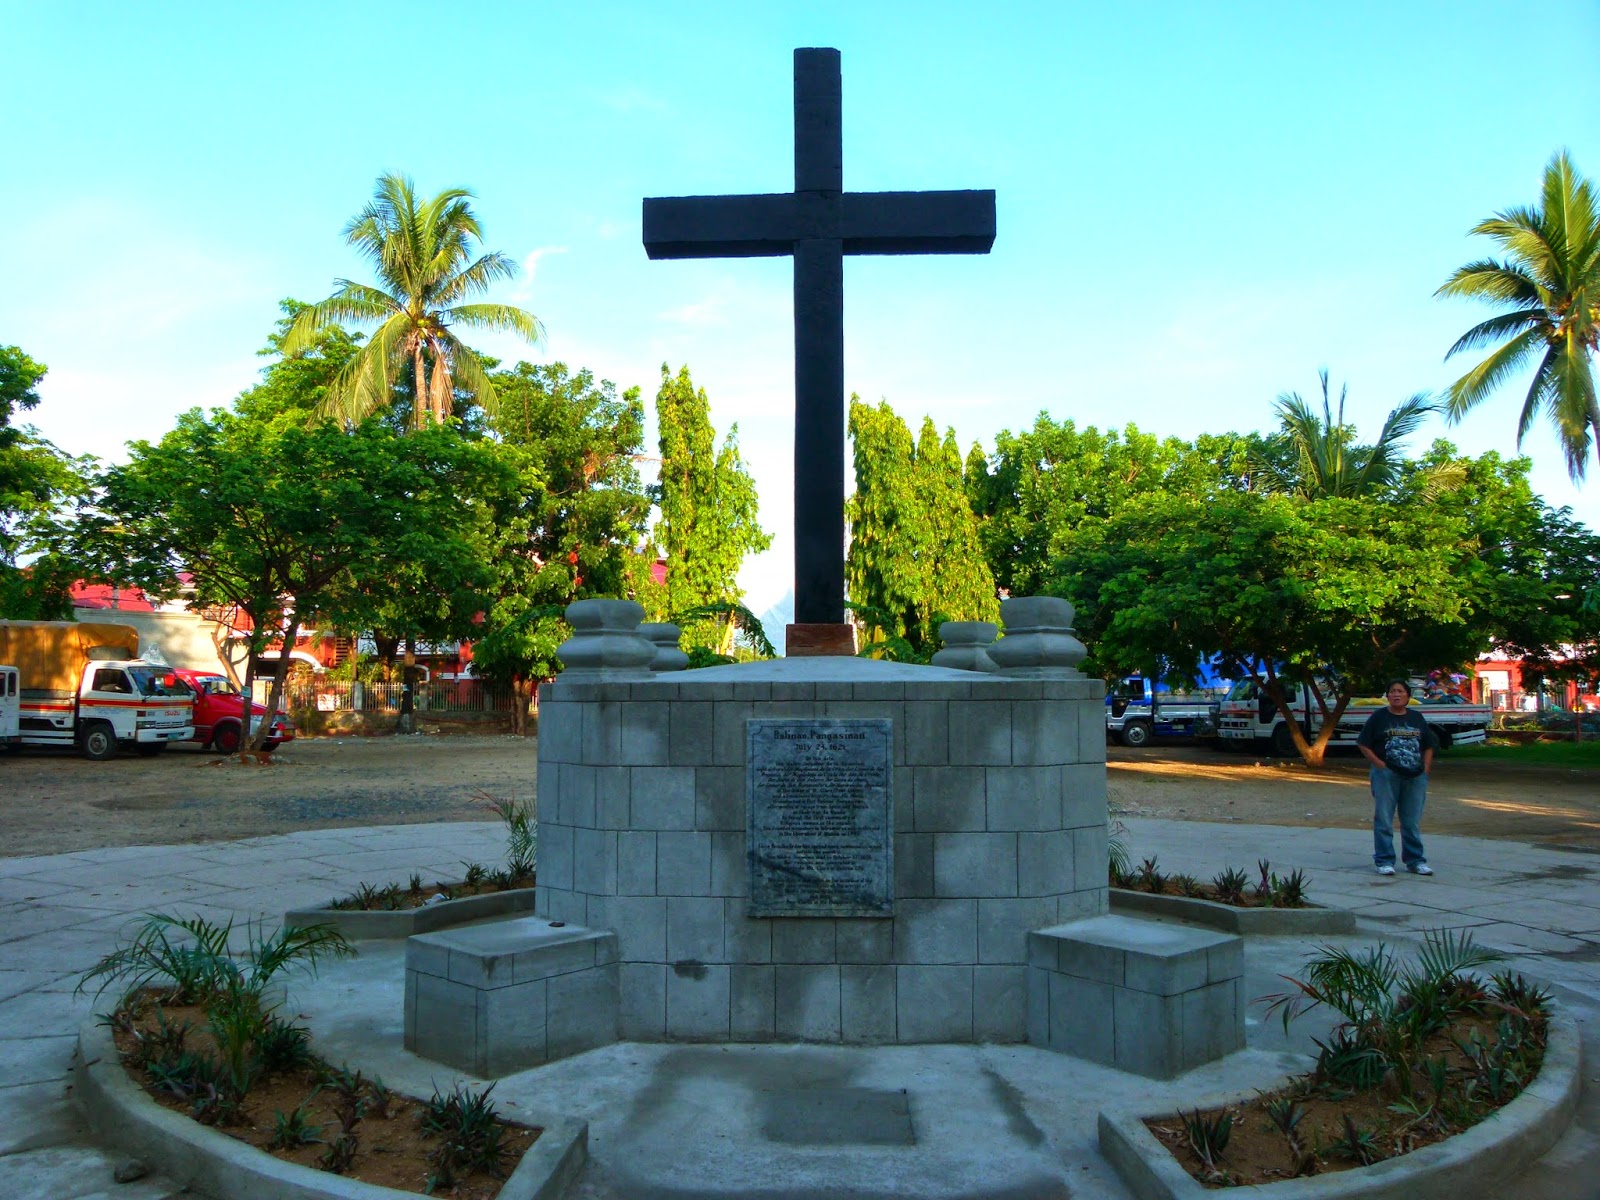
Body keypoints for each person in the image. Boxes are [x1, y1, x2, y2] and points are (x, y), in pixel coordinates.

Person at [1357, 680, 1437, 876]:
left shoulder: (1417, 718)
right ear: (1387, 696)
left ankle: (1415, 860)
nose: (1396, 694)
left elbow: (1429, 744)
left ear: (1408, 696)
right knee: (1384, 818)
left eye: (1400, 691)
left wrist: (1425, 768)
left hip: (1415, 776)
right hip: (1387, 775)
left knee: (1411, 821)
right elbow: (1363, 743)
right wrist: (1380, 765)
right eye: (1392, 691)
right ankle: (1384, 860)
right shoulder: (1379, 717)